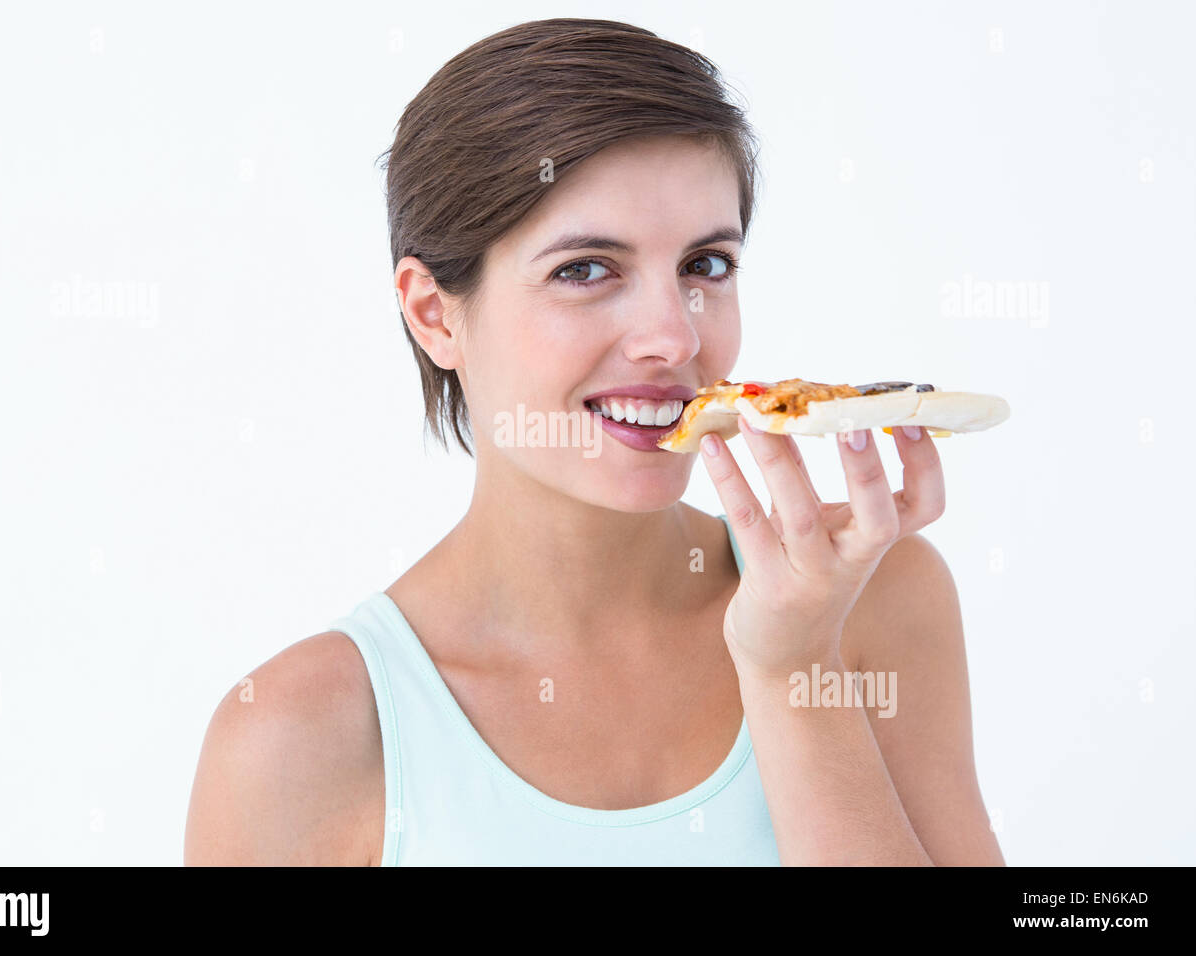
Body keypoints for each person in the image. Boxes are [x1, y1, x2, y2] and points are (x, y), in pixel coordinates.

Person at [184, 18, 1005, 866]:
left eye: (706, 266)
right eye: (585, 269)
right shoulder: (295, 737)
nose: (674, 339)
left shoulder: (875, 598)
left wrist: (794, 669)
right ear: (434, 314)